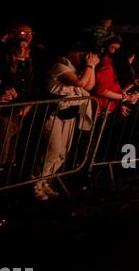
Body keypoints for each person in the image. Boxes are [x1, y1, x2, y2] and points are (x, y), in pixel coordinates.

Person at [33, 45, 99, 200]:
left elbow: (90, 86)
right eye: (81, 52)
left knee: (63, 153)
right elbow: (81, 83)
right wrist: (90, 65)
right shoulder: (59, 67)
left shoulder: (77, 69)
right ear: (70, 52)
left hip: (69, 115)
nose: (83, 56)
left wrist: (92, 67)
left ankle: (46, 181)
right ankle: (36, 183)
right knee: (53, 150)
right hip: (53, 115)